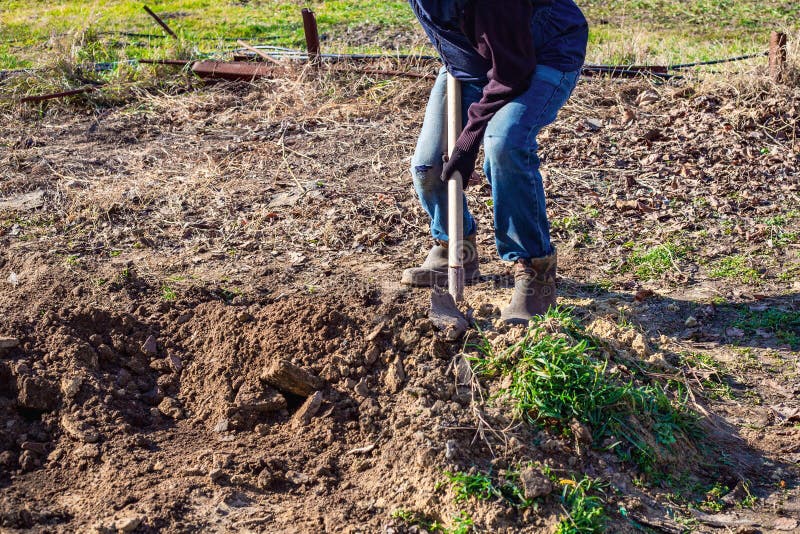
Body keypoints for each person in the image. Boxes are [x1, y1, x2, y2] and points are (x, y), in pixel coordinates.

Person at [401, 0, 588, 324]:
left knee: (504, 144)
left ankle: (535, 269)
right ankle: (456, 247)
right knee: (428, 165)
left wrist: (468, 141)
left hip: (544, 50)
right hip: (477, 57)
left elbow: (511, 71)